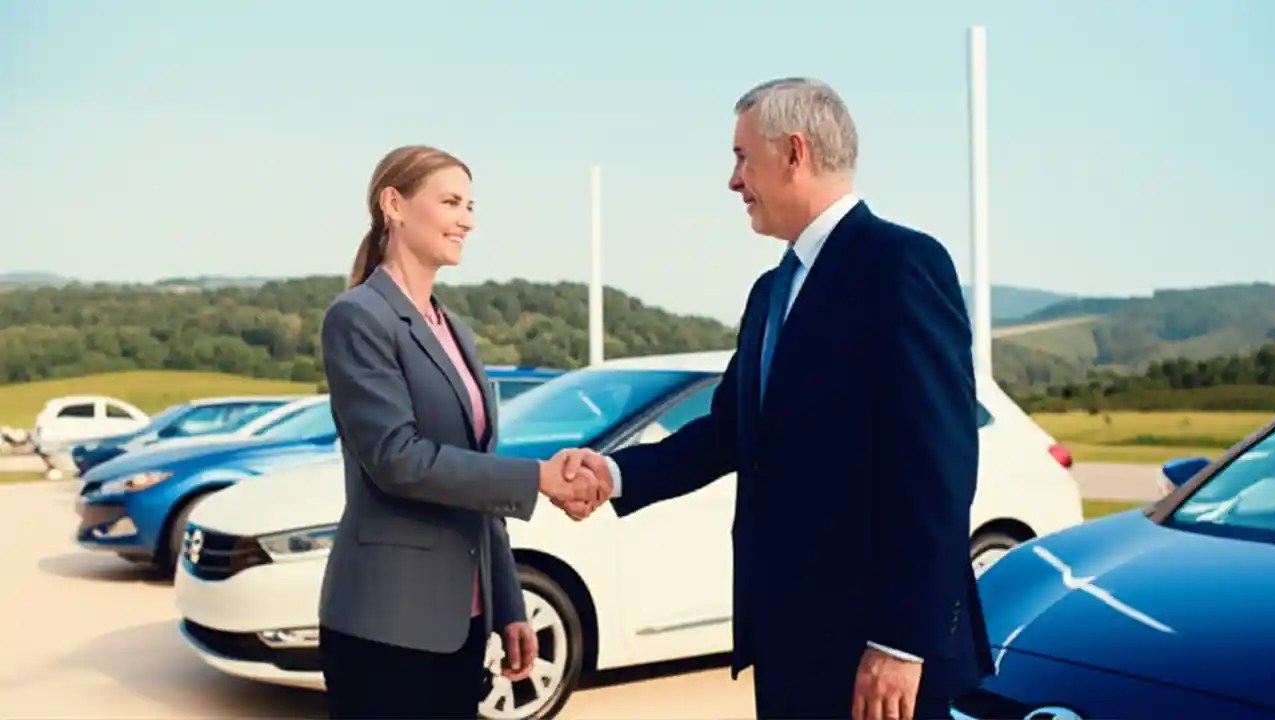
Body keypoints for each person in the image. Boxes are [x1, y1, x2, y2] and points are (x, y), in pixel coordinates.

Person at [552, 78, 995, 719]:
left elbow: (937, 471)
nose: (734, 181)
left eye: (741, 157)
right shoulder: (771, 291)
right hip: (793, 639)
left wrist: (901, 641)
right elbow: (730, 431)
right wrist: (615, 473)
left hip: (878, 653)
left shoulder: (900, 265)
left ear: (793, 152)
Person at [318, 145, 607, 719]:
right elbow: (396, 458)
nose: (467, 219)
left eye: (470, 205)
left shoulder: (456, 331)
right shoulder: (358, 317)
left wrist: (507, 603)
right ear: (393, 205)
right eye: (450, 201)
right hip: (387, 623)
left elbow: (475, 483)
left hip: (462, 624)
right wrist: (539, 478)